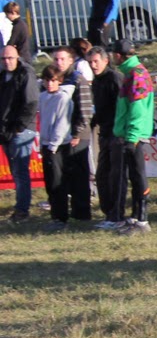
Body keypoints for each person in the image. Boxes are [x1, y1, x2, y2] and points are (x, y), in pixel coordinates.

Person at [36, 63, 91, 231]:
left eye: (53, 80)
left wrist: (53, 144)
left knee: (58, 182)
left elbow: (62, 123)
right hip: (46, 144)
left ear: (59, 81)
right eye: (47, 80)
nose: (50, 84)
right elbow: (43, 120)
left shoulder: (63, 98)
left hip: (59, 145)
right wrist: (42, 142)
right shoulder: (43, 97)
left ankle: (61, 218)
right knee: (50, 183)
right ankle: (56, 215)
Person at [111, 39, 154, 235]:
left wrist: (132, 136)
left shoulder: (137, 76)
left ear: (119, 55)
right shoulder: (130, 74)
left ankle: (143, 221)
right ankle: (135, 217)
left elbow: (137, 110)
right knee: (133, 177)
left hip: (134, 135)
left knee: (138, 176)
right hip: (129, 133)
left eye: (113, 54)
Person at [0, 44, 39, 222]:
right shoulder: (3, 76)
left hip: (21, 130)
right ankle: (20, 207)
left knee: (20, 171)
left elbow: (31, 102)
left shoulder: (26, 73)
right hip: (6, 131)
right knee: (15, 172)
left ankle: (22, 210)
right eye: (4, 59)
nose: (7, 62)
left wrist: (19, 127)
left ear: (17, 57)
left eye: (10, 58)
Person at [87, 45, 124, 228]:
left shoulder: (114, 78)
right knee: (102, 175)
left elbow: (122, 106)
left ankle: (117, 215)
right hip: (105, 133)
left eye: (96, 61)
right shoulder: (97, 81)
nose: (93, 65)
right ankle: (109, 213)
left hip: (117, 133)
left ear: (105, 61)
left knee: (116, 176)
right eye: (90, 62)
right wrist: (93, 121)